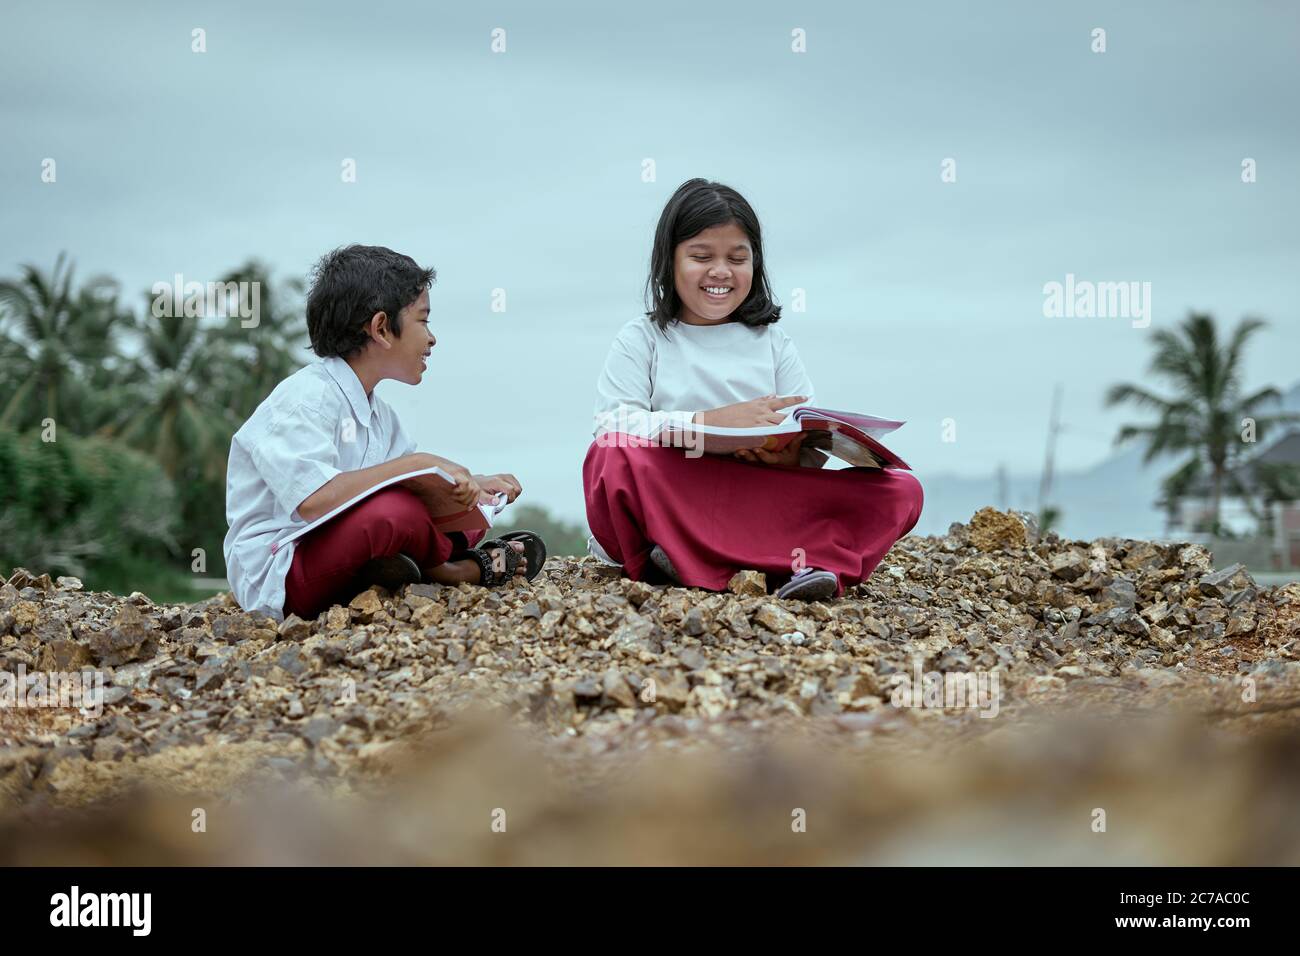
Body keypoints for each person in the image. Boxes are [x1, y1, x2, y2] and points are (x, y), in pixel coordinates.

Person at [583, 179, 923, 602]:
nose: (720, 271)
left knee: (902, 491)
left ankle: (716, 564)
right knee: (611, 454)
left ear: (755, 265)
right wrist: (708, 423)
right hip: (679, 494)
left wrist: (791, 455)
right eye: (701, 256)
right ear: (668, 261)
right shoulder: (644, 338)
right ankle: (733, 561)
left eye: (737, 258)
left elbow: (807, 434)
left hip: (755, 497)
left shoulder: (773, 342)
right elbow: (613, 423)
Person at [223, 244, 545, 622]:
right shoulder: (304, 398)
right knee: (395, 514)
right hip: (287, 572)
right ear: (380, 329)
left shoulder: (380, 414)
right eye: (423, 321)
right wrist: (417, 463)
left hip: (353, 554)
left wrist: (472, 484)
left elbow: (417, 487)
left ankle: (407, 566)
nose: (432, 338)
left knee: (465, 511)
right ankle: (455, 571)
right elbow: (312, 500)